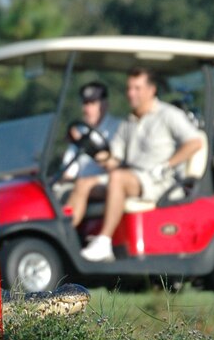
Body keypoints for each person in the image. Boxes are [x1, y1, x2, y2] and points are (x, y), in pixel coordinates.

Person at [79, 67, 205, 262]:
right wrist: (96, 153)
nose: (131, 93)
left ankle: (104, 241)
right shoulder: (128, 122)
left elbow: (195, 142)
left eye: (137, 88)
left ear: (151, 90)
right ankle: (67, 236)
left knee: (118, 178)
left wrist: (167, 164)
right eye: (129, 88)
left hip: (160, 180)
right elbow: (115, 160)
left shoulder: (168, 115)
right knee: (84, 184)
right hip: (132, 179)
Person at [60, 82, 120, 228]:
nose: (87, 109)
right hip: (81, 182)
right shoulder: (80, 130)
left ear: (104, 104)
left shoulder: (117, 128)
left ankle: (64, 231)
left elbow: (117, 164)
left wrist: (91, 149)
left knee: (82, 185)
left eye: (92, 103)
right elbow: (69, 170)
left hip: (108, 180)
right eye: (85, 104)